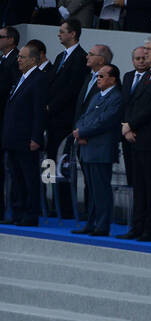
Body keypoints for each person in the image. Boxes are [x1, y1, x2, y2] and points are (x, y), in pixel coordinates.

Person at [118, 35, 151, 240]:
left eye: (149, 49)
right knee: (138, 186)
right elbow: (131, 103)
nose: (145, 52)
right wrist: (127, 127)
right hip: (135, 138)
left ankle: (150, 228)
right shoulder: (147, 75)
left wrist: (131, 124)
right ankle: (137, 226)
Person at [70, 63, 123, 237]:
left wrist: (83, 132)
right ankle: (91, 223)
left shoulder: (116, 97)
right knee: (91, 190)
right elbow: (84, 116)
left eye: (101, 76)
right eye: (97, 76)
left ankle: (102, 225)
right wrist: (79, 131)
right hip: (87, 148)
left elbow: (104, 121)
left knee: (101, 190)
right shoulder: (97, 96)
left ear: (112, 79)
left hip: (101, 150)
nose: (98, 79)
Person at [45, 20, 88, 220]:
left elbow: (72, 89)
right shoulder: (61, 56)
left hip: (65, 121)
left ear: (73, 34)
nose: (59, 34)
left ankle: (66, 206)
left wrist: (51, 106)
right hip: (52, 121)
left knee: (63, 164)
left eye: (62, 31)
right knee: (49, 162)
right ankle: (49, 201)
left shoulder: (81, 58)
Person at [2, 42, 45, 227]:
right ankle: (18, 211)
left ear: (33, 60)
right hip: (13, 137)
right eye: (19, 56)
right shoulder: (21, 78)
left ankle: (30, 214)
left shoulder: (39, 78)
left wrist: (36, 137)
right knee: (17, 177)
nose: (18, 59)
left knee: (29, 177)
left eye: (22, 57)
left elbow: (39, 111)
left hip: (27, 138)